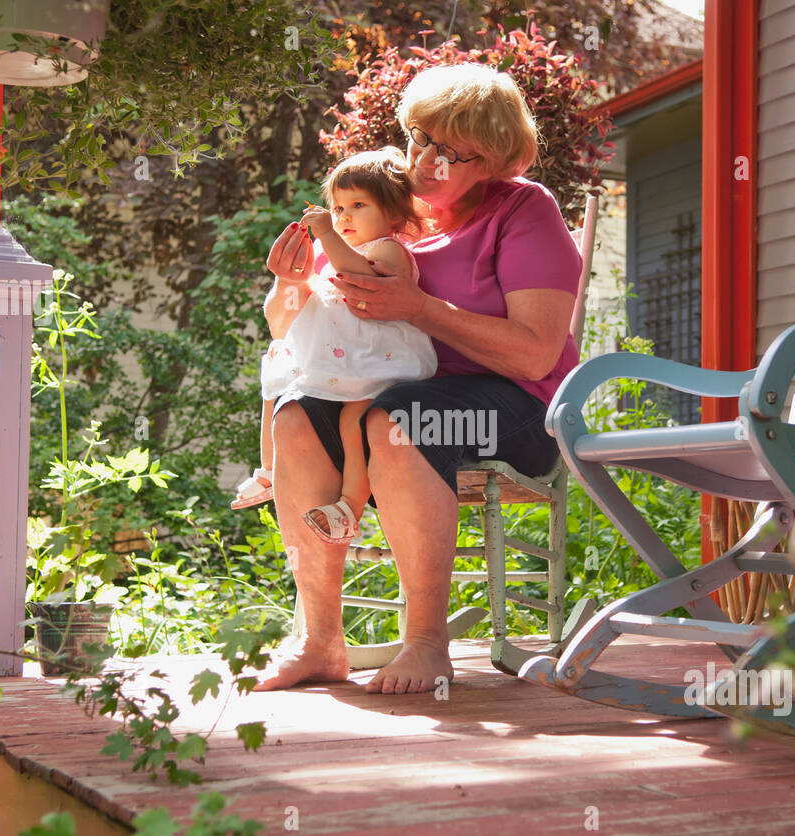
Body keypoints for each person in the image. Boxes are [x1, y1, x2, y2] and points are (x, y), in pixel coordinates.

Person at [254, 62, 582, 694]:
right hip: (385, 398)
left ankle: (427, 642)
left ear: (493, 162)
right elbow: (297, 324)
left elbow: (536, 355)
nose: (426, 160)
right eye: (420, 139)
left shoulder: (522, 209)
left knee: (401, 418)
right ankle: (320, 641)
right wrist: (289, 283)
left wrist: (422, 309)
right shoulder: (377, 210)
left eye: (452, 152)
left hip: (515, 409)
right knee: (295, 414)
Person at [231, 148, 436, 543]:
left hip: (377, 361)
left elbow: (363, 280)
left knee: (354, 421)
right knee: (277, 382)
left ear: (394, 213)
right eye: (338, 208)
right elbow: (305, 303)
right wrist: (296, 278)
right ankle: (269, 471)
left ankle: (348, 507)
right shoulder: (330, 252)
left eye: (358, 205)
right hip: (338, 357)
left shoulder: (389, 248)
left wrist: (325, 234)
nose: (343, 217)